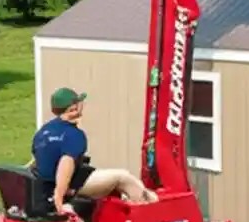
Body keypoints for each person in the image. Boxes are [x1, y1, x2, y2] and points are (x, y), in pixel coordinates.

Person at [29, 87, 157, 213]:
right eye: (79, 102)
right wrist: (59, 196)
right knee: (123, 177)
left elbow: (37, 159)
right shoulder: (75, 135)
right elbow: (66, 163)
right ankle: (149, 209)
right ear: (74, 108)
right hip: (65, 186)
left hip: (44, 185)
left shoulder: (43, 131)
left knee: (92, 172)